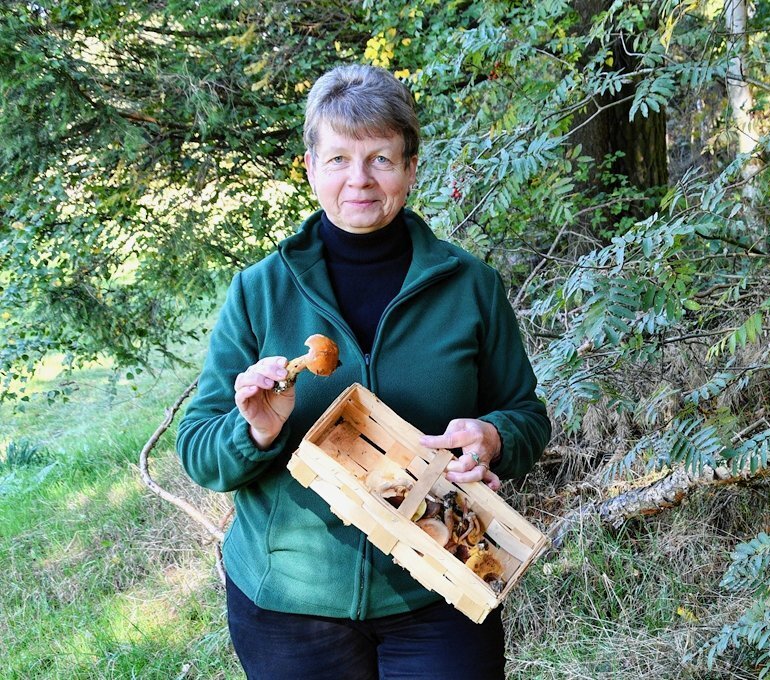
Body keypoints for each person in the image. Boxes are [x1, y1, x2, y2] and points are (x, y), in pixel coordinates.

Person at [176, 63, 550, 680]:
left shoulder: (470, 288)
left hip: (438, 586)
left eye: (381, 158)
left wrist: (495, 437)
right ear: (309, 168)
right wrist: (257, 433)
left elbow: (525, 414)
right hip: (290, 608)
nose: (360, 180)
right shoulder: (260, 292)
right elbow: (199, 450)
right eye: (339, 159)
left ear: (410, 166)